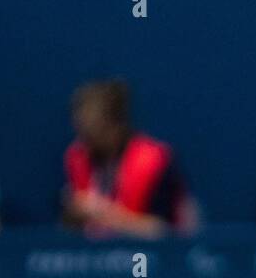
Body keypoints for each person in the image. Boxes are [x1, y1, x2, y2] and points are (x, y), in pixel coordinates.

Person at [62, 80, 195, 236]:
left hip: (147, 257)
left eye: (94, 131)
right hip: (95, 257)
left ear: (117, 125)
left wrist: (100, 212)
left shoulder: (154, 161)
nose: (86, 140)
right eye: (82, 131)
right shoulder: (77, 157)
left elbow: (164, 231)